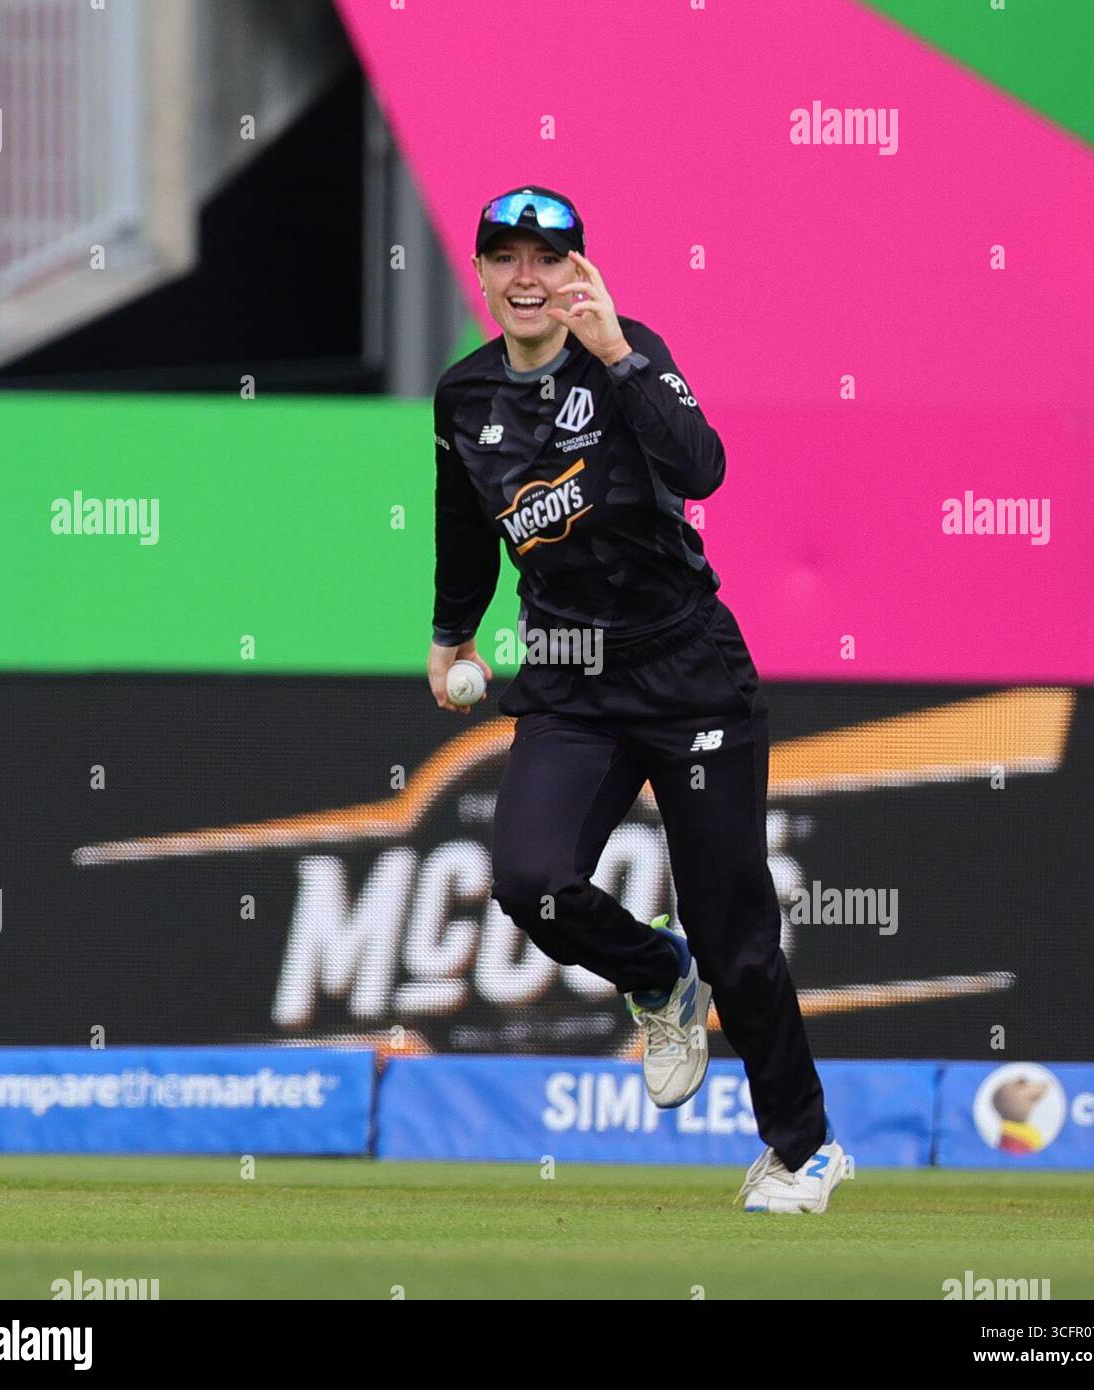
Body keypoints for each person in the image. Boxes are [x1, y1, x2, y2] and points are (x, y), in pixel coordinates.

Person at [427, 185, 843, 1214]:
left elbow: (700, 468)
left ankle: (803, 1150)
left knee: (733, 935)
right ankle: (654, 974)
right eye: (506, 258)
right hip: (570, 677)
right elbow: (461, 527)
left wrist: (616, 352)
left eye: (547, 257)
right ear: (479, 272)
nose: (527, 279)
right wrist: (449, 636)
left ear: (579, 268)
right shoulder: (462, 397)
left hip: (685, 664)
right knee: (529, 877)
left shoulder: (625, 352)